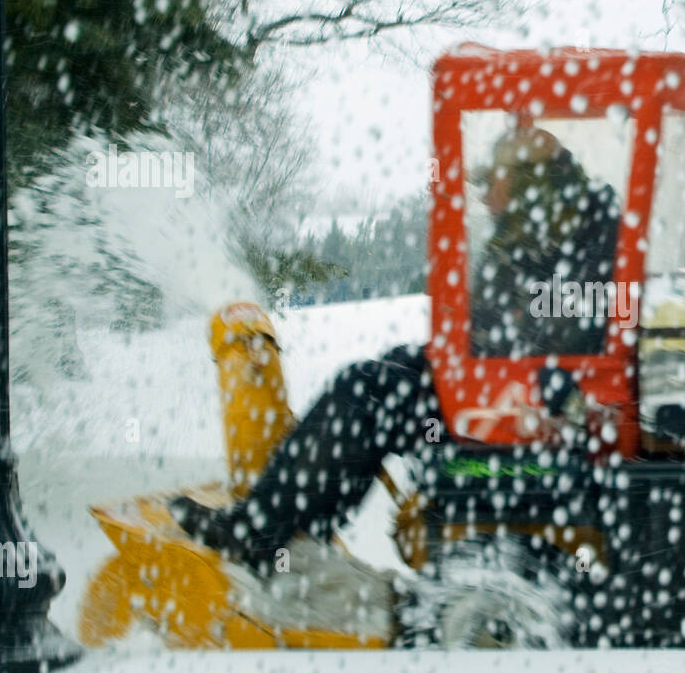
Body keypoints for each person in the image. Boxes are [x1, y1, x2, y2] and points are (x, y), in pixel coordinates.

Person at [170, 127, 620, 573]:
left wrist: (469, 355)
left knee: (365, 393)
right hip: (510, 390)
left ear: (525, 182)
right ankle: (293, 523)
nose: (482, 197)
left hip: (524, 408)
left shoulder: (561, 242)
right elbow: (506, 333)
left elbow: (538, 340)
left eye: (490, 183)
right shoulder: (563, 229)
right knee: (378, 378)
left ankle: (260, 532)